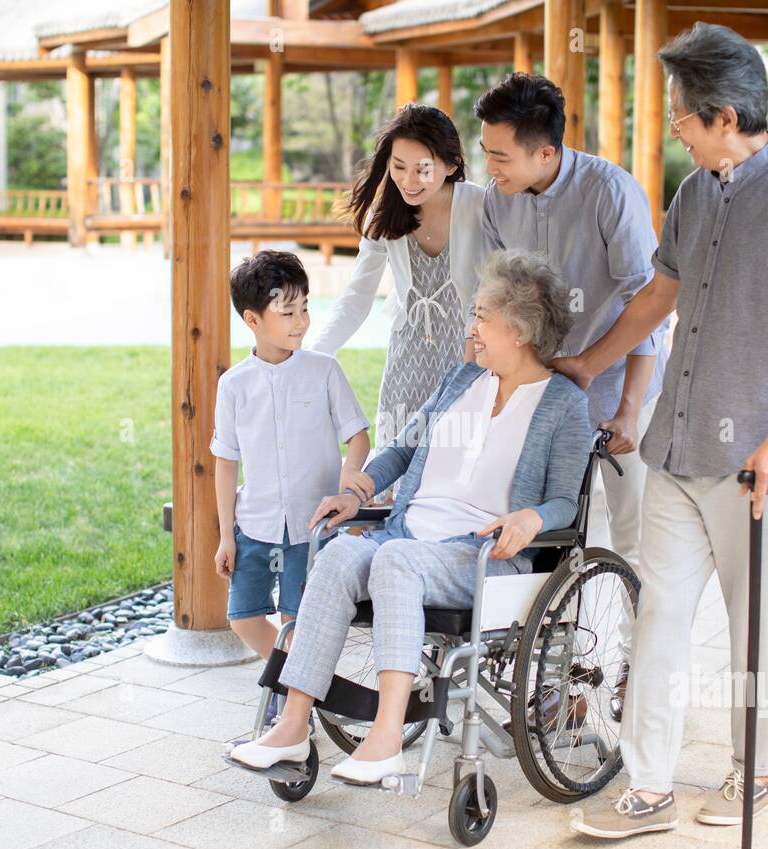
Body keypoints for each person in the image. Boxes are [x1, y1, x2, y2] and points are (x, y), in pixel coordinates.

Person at [562, 23, 768, 839]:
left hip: (761, 459)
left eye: (683, 118)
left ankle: (758, 771)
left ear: (725, 116)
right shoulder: (694, 194)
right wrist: (591, 363)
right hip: (676, 451)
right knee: (659, 616)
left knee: (758, 631)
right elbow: (658, 297)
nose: (676, 131)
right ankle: (648, 788)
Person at [228, 250, 590, 784]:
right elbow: (403, 448)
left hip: (482, 552)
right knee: (339, 552)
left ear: (519, 330)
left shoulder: (562, 404)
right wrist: (360, 489)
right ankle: (292, 725)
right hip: (406, 535)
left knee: (395, 559)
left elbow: (564, 500)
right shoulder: (462, 380)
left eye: (481, 316)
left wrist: (530, 521)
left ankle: (386, 736)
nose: (471, 328)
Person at [474, 73, 668, 719]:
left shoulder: (610, 192)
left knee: (635, 542)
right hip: (553, 391)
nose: (489, 167)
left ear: (545, 153)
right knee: (556, 536)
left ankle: (633, 679)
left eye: (500, 155)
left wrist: (629, 407)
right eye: (486, 153)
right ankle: (562, 685)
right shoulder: (501, 202)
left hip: (620, 387)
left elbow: (651, 303)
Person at [310, 105, 487, 500]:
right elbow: (357, 297)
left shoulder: (481, 207)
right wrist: (313, 357)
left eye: (422, 168)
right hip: (407, 361)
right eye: (398, 166)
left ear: (451, 165)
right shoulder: (385, 214)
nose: (408, 180)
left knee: (453, 476)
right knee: (395, 477)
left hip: (467, 356)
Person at [211, 250, 371, 664]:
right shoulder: (233, 385)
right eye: (288, 313)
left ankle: (289, 703)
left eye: (305, 308)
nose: (301, 321)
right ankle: (289, 682)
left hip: (311, 525)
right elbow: (226, 461)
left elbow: (357, 435)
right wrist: (227, 535)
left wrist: (349, 474)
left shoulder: (324, 370)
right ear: (252, 320)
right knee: (243, 616)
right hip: (255, 524)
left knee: (295, 620)